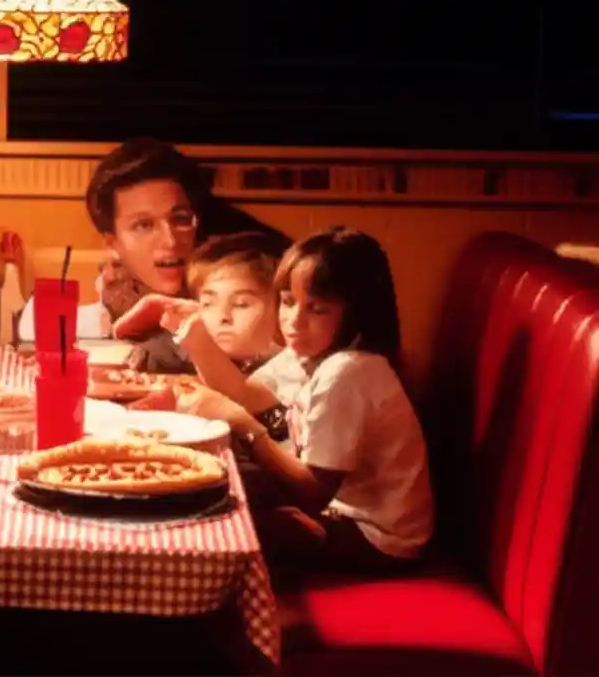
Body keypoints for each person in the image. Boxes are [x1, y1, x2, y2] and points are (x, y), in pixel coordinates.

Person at [161, 227, 433, 575]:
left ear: (356, 312)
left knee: (219, 522)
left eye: (317, 309)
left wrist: (242, 424)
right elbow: (245, 394)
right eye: (288, 302)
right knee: (220, 485)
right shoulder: (313, 352)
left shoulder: (349, 372)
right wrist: (194, 332)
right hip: (336, 512)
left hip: (378, 540)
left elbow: (313, 493)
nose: (294, 322)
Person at [16, 138, 287, 372]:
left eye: (181, 219)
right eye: (144, 225)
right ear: (113, 243)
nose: (170, 240)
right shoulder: (121, 286)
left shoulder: (240, 271)